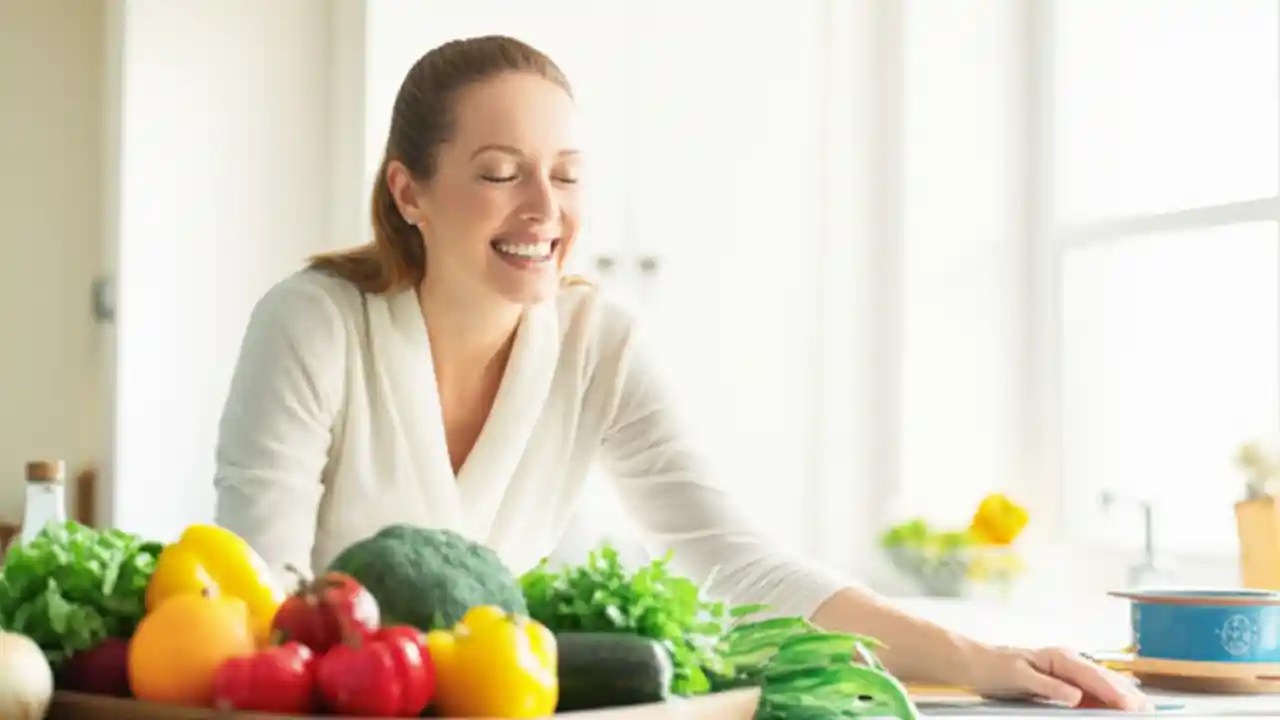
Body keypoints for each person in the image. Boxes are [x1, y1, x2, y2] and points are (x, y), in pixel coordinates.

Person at [212, 35, 1151, 712]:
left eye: (568, 174)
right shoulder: (314, 323)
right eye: (502, 171)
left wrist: (971, 656)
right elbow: (264, 584)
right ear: (408, 190)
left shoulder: (599, 343)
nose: (545, 207)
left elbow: (737, 560)